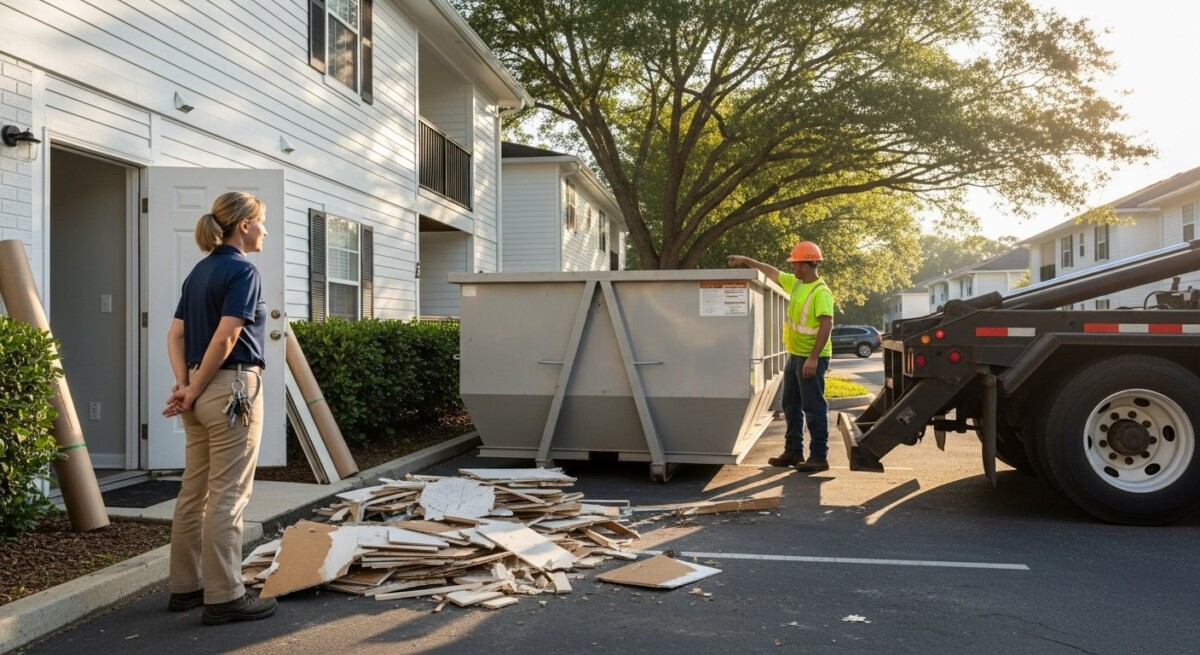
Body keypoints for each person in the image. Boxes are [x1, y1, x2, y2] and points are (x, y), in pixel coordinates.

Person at [162, 191, 277, 625]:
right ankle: (226, 596)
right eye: (262, 222)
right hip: (231, 388)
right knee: (228, 496)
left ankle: (185, 588)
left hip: (198, 386)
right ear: (244, 225)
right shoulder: (243, 271)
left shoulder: (199, 272)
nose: (265, 229)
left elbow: (175, 336)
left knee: (195, 492)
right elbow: (227, 337)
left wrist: (184, 384)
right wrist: (194, 388)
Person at [728, 241, 835, 473]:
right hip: (796, 355)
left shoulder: (821, 292)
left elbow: (827, 325)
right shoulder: (797, 284)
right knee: (790, 403)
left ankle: (819, 456)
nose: (792, 268)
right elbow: (773, 273)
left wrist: (813, 359)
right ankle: (793, 451)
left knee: (814, 407)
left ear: (806, 265)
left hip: (810, 358)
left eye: (795, 264)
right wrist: (747, 260)